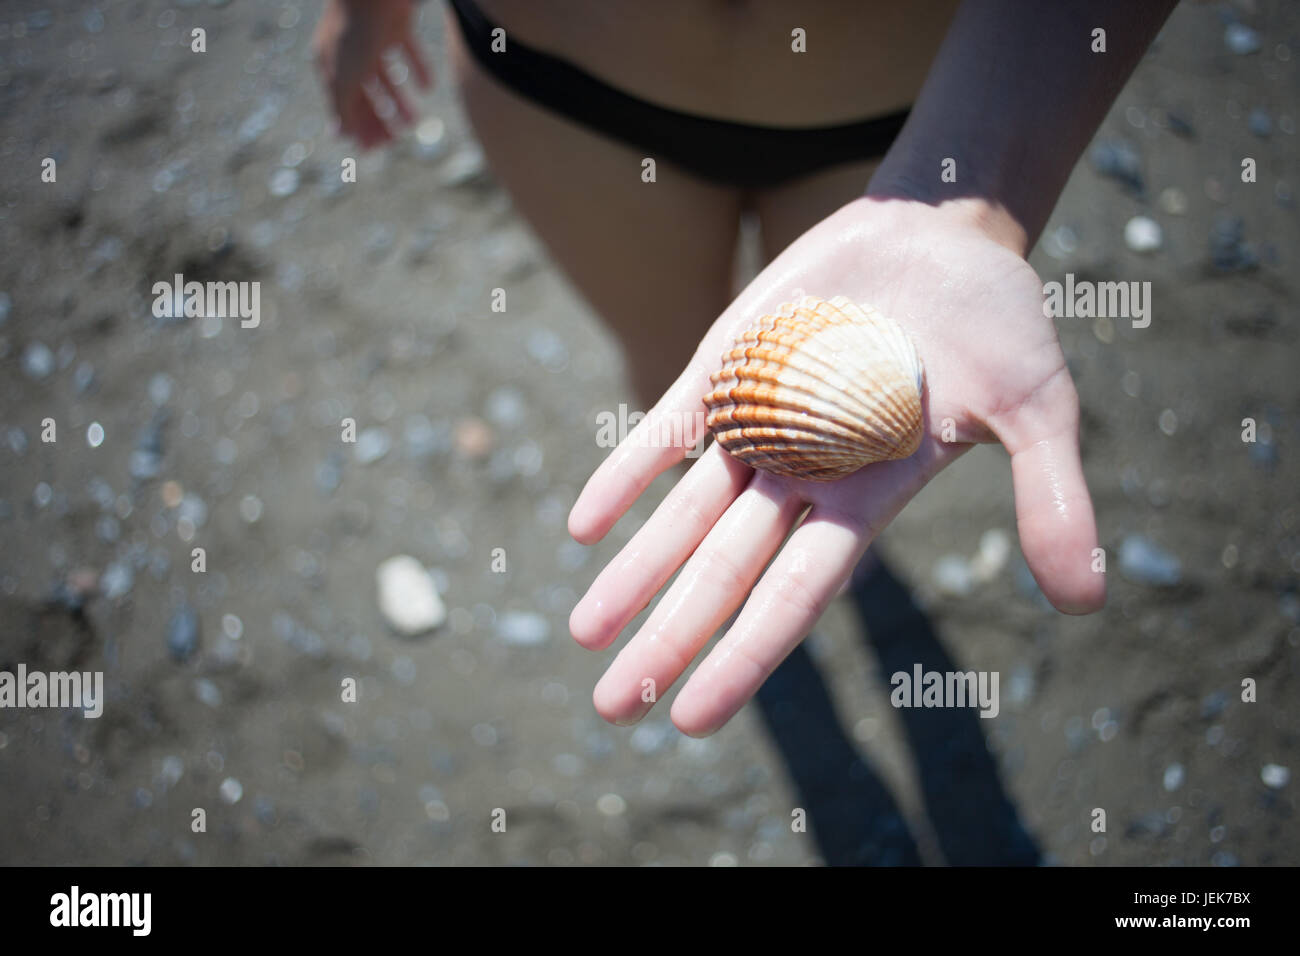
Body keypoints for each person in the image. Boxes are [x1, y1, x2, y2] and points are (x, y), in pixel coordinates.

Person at [313, 0, 1178, 738]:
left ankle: (810, 507)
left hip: (917, 108)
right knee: (677, 375)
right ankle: (771, 489)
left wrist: (981, 188)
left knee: (716, 391)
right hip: (564, 83)